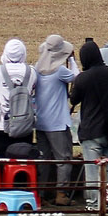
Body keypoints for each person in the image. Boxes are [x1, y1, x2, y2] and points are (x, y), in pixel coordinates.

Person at [71, 40, 108, 211]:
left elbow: (74, 99)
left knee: (92, 171)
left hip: (91, 129)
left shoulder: (82, 78)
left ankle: (94, 204)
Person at [33, 34, 79, 206]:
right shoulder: (60, 71)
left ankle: (41, 193)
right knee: (63, 159)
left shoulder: (36, 70)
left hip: (41, 122)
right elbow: (77, 77)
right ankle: (61, 193)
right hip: (58, 123)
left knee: (44, 159)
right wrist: (72, 60)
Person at [0, 38, 38, 157]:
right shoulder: (32, 72)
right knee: (23, 161)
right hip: (24, 124)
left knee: (2, 161)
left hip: (2, 124)